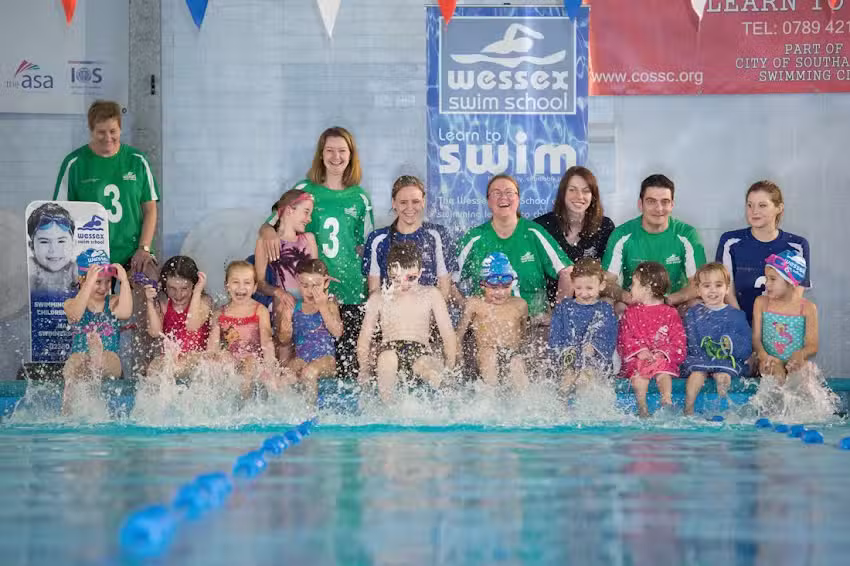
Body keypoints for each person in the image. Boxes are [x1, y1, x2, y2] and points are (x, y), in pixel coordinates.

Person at [259, 127, 373, 378]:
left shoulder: (360, 197)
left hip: (351, 289)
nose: (336, 157)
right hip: (309, 291)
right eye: (329, 151)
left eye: (342, 151)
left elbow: (365, 245)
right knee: (306, 357)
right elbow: (272, 224)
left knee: (346, 363)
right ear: (320, 155)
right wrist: (267, 231)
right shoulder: (305, 189)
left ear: (351, 155)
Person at [53, 100, 159, 276]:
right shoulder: (74, 163)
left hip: (133, 251)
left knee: (148, 284)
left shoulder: (137, 160)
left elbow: (150, 210)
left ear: (120, 129)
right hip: (90, 253)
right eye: (101, 132)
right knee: (94, 300)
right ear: (91, 130)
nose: (108, 137)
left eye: (113, 131)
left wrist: (144, 248)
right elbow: (59, 212)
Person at [455, 174, 573, 319]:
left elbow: (567, 271)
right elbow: (447, 279)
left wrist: (559, 318)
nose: (503, 197)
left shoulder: (533, 233)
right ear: (488, 201)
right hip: (488, 326)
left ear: (518, 199)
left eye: (509, 192)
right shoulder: (475, 238)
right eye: (496, 193)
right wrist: (468, 309)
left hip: (534, 322)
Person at [357, 242, 457, 402]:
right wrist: (364, 369)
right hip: (389, 348)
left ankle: (450, 408)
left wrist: (450, 368)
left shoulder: (431, 294)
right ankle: (388, 410)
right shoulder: (379, 297)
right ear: (388, 273)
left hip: (421, 350)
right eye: (396, 279)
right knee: (387, 360)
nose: (404, 284)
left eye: (410, 278)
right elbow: (364, 338)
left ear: (420, 272)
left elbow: (448, 335)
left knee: (430, 370)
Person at [603, 174, 706, 308]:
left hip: (673, 304)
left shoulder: (686, 234)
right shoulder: (622, 235)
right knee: (607, 302)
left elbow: (699, 283)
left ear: (672, 204)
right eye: (651, 201)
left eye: (665, 201)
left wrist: (669, 300)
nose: (659, 208)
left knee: (697, 304)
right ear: (640, 204)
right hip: (634, 304)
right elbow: (607, 283)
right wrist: (627, 297)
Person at [716, 180, 811, 324]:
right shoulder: (731, 242)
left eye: (762, 205)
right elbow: (725, 289)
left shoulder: (797, 246)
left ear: (779, 208)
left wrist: (772, 330)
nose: (754, 211)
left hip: (780, 327)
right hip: (740, 326)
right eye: (750, 205)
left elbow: (795, 296)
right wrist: (742, 325)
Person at [61, 249, 132, 414]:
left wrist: (124, 281)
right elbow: (76, 315)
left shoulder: (113, 302)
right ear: (82, 280)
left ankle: (97, 358)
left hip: (109, 357)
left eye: (108, 282)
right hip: (81, 355)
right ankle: (67, 410)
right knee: (73, 363)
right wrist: (87, 284)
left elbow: (125, 312)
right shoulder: (71, 303)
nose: (104, 287)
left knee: (110, 358)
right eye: (98, 282)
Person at [534, 166, 615, 306]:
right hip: (550, 306)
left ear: (593, 196)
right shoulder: (542, 226)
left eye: (586, 191)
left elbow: (608, 275)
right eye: (572, 190)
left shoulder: (605, 226)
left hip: (589, 302)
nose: (579, 196)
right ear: (562, 193)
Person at [363, 175, 454, 298]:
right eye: (403, 202)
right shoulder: (377, 239)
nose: (410, 208)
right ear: (393, 203)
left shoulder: (438, 235)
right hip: (391, 314)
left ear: (423, 202)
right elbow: (374, 293)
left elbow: (444, 289)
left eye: (415, 201)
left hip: (429, 312)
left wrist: (425, 314)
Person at [617, 262, 686, 418]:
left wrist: (661, 353)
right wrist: (640, 351)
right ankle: (642, 408)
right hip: (637, 358)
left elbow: (678, 340)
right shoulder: (631, 312)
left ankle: (666, 401)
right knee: (638, 373)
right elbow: (625, 337)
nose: (630, 288)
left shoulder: (670, 313)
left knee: (663, 370)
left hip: (661, 358)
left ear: (647, 288)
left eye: (633, 284)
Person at [683, 263, 752, 416]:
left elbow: (746, 346)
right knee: (696, 374)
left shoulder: (737, 315)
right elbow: (690, 341)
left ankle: (722, 410)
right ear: (698, 290)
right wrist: (705, 358)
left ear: (727, 288)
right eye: (707, 286)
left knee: (723, 376)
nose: (713, 290)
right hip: (699, 359)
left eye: (718, 285)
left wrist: (730, 345)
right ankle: (688, 409)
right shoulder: (693, 314)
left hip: (726, 360)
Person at [455, 252, 529, 390]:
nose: (500, 293)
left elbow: (524, 335)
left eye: (506, 287)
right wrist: (458, 361)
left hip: (511, 353)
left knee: (516, 363)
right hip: (485, 353)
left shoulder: (520, 305)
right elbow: (458, 336)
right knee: (490, 355)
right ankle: (491, 397)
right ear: (483, 285)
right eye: (494, 288)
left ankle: (523, 403)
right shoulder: (474, 304)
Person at [277, 259, 343, 403]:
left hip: (326, 360)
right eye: (305, 285)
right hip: (301, 359)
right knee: (284, 378)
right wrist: (286, 318)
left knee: (309, 372)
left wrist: (323, 307)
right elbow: (284, 340)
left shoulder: (330, 305)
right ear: (297, 282)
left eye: (316, 285)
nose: (311, 290)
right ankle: (285, 415)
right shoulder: (294, 307)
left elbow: (337, 332)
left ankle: (310, 415)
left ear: (326, 283)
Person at [207, 261, 276, 397]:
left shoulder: (260, 311)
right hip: (232, 362)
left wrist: (270, 370)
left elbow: (267, 343)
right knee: (221, 357)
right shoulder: (219, 314)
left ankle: (243, 404)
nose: (241, 288)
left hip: (254, 363)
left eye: (247, 283)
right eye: (235, 282)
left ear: (255, 287)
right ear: (227, 286)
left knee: (248, 363)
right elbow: (212, 347)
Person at [548, 259, 618, 393]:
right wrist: (565, 350)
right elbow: (555, 334)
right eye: (579, 288)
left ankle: (583, 411)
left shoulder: (605, 309)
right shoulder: (564, 308)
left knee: (585, 377)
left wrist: (594, 346)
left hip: (594, 359)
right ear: (572, 284)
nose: (584, 293)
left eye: (589, 288)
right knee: (567, 376)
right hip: (569, 357)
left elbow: (610, 335)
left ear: (601, 285)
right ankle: (560, 409)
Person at [752, 251, 818, 384]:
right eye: (766, 278)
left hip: (794, 361)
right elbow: (756, 338)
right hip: (769, 360)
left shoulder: (807, 308)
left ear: (790, 282)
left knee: (807, 372)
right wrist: (763, 355)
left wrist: (800, 354)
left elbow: (812, 345)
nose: (767, 283)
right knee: (777, 375)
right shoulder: (761, 303)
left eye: (773, 279)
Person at [143, 256, 212, 379]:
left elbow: (192, 326)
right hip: (171, 360)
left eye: (184, 288)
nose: (178, 295)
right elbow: (154, 332)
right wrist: (149, 302)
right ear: (165, 286)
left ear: (194, 285)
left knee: (191, 359)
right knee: (155, 365)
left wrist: (197, 293)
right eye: (172, 288)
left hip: (196, 359)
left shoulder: (204, 301)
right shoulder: (163, 302)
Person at [253, 189, 319, 308]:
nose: (309, 219)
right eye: (306, 212)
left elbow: (316, 276)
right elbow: (259, 284)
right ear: (289, 210)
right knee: (284, 309)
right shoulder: (264, 242)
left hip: (307, 301)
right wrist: (279, 293)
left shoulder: (309, 239)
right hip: (282, 303)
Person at [27, 202, 77, 295]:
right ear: (32, 247)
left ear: (73, 245)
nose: (53, 250)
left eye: (61, 241)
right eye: (44, 241)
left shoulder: (74, 270)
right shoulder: (31, 269)